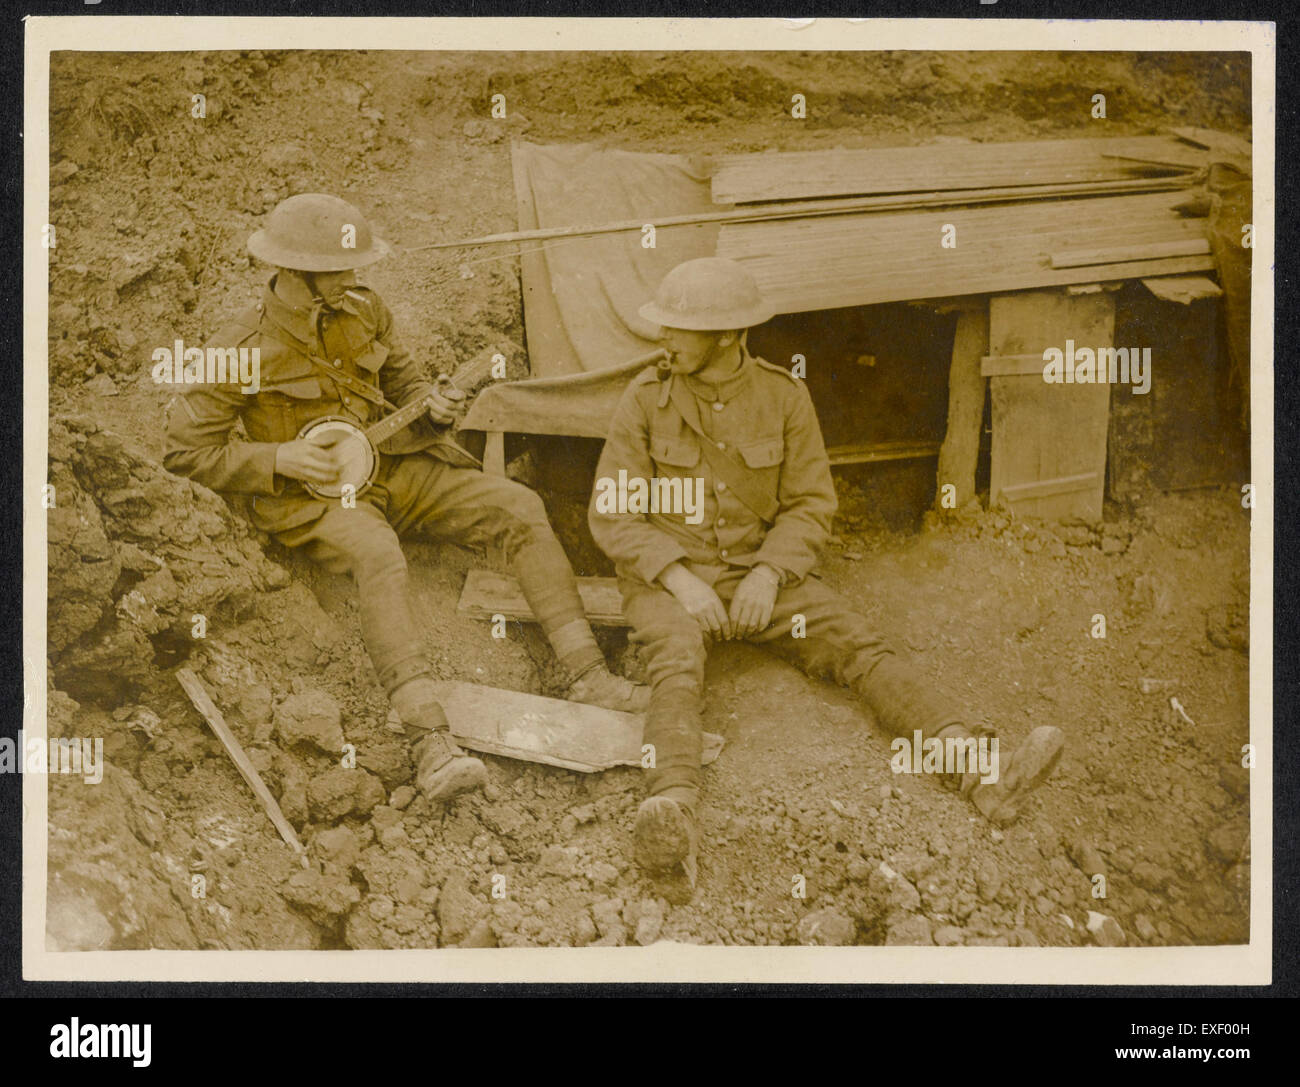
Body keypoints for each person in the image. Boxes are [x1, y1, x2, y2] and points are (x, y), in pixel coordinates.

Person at [588, 256, 1064, 883]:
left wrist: (767, 574)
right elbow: (613, 512)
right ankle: (672, 813)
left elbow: (811, 504)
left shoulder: (784, 397)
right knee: (676, 661)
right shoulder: (645, 399)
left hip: (760, 576)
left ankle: (979, 773)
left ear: (728, 337)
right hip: (669, 579)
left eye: (679, 328)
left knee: (857, 646)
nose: (664, 338)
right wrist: (679, 578)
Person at [165, 193, 646, 804]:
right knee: (377, 551)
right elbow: (184, 453)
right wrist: (277, 457)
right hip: (309, 497)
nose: (354, 278)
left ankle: (589, 677)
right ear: (297, 274)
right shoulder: (242, 346)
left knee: (518, 507)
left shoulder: (365, 310)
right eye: (340, 270)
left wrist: (438, 410)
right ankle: (429, 742)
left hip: (392, 470)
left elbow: (408, 386)